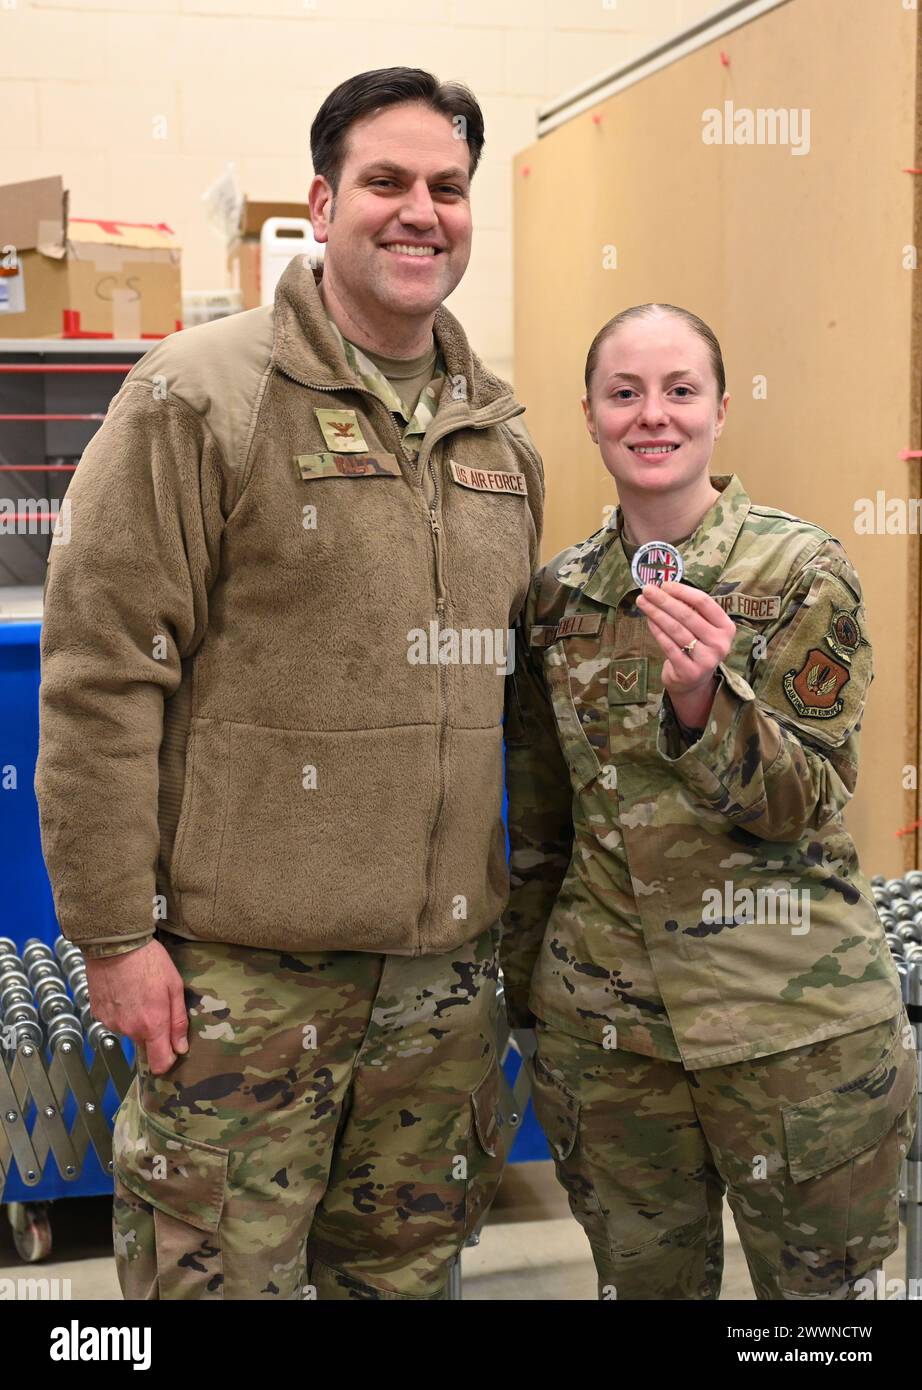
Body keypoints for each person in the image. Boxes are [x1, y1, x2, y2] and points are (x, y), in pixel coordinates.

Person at [34, 67, 545, 1301]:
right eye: (387, 182)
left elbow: (520, 719)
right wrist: (112, 936)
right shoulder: (197, 396)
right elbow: (103, 676)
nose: (421, 211)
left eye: (448, 188)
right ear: (321, 204)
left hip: (436, 999)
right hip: (242, 990)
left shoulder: (502, 440)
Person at [502, 302, 917, 1300]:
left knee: (817, 1316)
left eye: (680, 391)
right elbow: (540, 830)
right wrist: (525, 1004)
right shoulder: (556, 600)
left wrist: (701, 703)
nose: (654, 415)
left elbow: (808, 792)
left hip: (790, 1026)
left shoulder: (799, 570)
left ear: (720, 410)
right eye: (625, 393)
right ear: (592, 416)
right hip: (611, 1038)